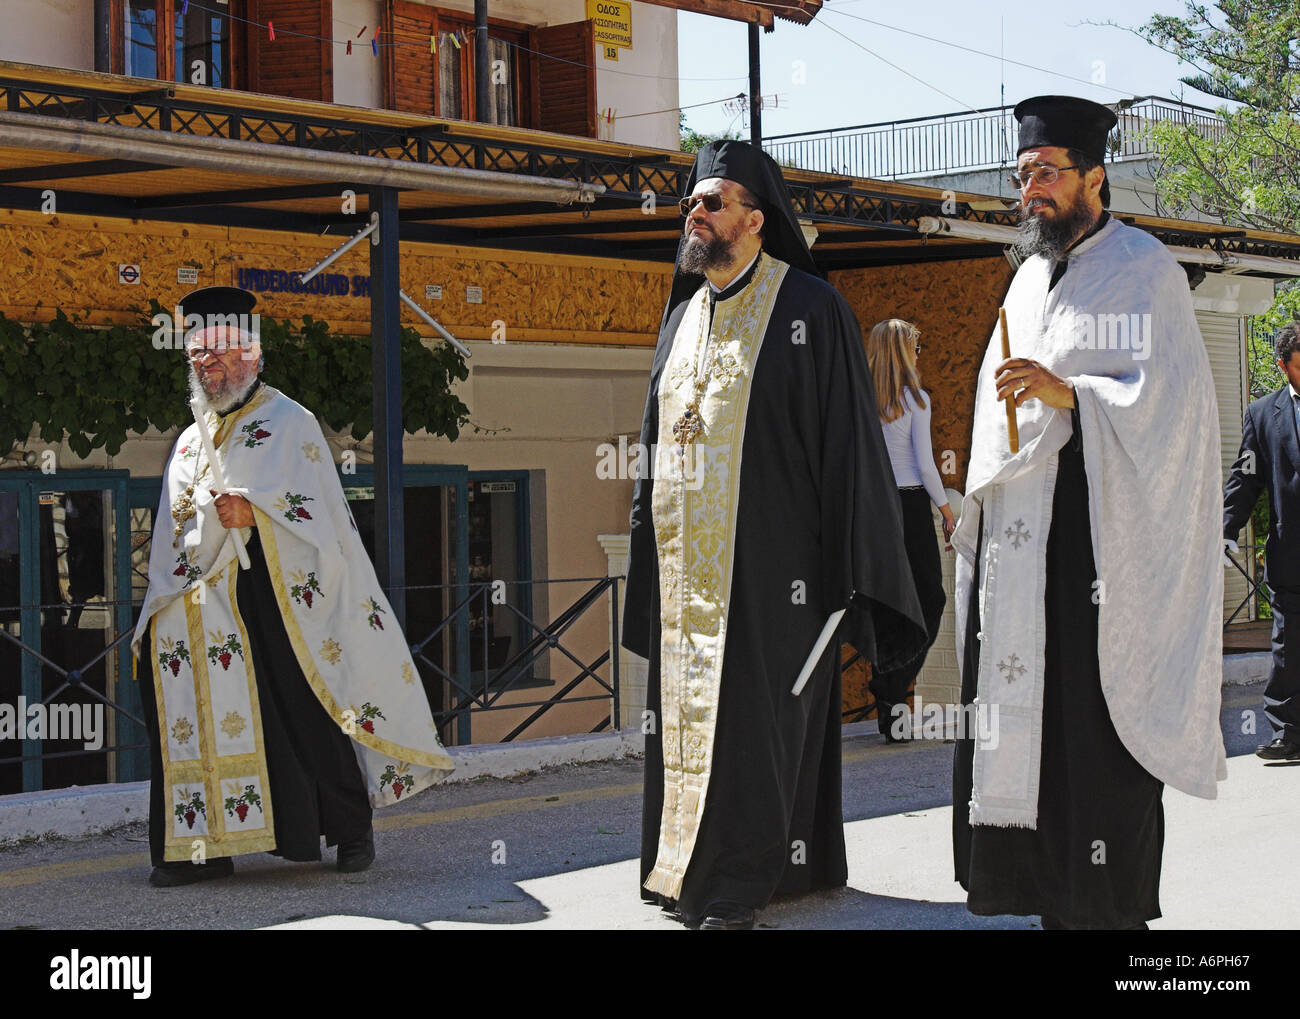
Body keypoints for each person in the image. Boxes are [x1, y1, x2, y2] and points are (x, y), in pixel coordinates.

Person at [623, 141, 927, 931]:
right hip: (689, 568)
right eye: (691, 202)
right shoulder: (684, 315)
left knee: (758, 725)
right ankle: (698, 863)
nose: (695, 212)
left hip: (776, 573)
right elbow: (655, 442)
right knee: (694, 722)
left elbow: (850, 449)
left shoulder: (810, 309)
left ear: (756, 220)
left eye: (712, 201)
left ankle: (734, 888)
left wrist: (848, 573)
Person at [951, 96, 1226, 929]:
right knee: (1032, 734)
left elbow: (1177, 408)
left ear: (1093, 177)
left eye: (1046, 173)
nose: (1030, 190)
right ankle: (1043, 899)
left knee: (1094, 733)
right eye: (1022, 174)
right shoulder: (1027, 275)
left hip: (1100, 545)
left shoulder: (1146, 268)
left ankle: (1107, 911)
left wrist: (1069, 392)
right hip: (1023, 543)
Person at [132, 286, 454, 887]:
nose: (210, 365)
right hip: (196, 607)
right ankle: (201, 849)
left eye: (223, 352)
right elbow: (172, 528)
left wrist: (257, 514)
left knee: (305, 705)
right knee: (189, 719)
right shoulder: (186, 438)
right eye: (199, 354)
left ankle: (351, 831)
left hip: (274, 594)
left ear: (253, 355)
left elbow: (321, 513)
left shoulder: (289, 421)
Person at [865, 319, 955, 742]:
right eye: (916, 348)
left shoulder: (861, 398)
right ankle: (891, 686)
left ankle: (891, 704)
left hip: (875, 509)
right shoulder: (916, 400)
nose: (920, 356)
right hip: (912, 503)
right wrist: (946, 510)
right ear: (905, 353)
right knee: (930, 600)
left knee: (889, 605)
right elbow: (924, 463)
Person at [1223, 321, 1300, 761]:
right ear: (1283, 366)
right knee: (1289, 646)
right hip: (1292, 553)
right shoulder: (1262, 414)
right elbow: (1246, 478)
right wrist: (1226, 530)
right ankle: (1289, 735)